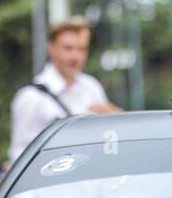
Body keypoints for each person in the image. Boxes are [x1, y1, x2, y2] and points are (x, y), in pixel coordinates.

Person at [8, 16, 120, 160]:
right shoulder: (31, 96)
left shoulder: (92, 87)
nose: (75, 56)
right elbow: (18, 153)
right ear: (51, 48)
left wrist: (114, 117)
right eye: (68, 48)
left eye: (82, 49)